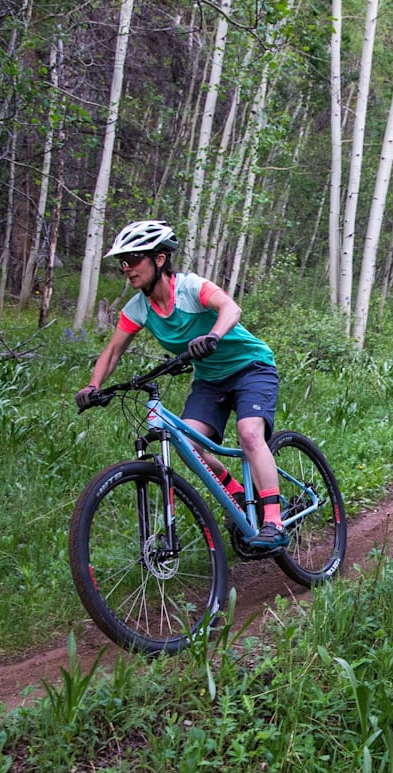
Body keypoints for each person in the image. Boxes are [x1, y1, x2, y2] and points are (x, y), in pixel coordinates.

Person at [76, 220, 289, 549]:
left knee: (249, 432)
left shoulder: (191, 288)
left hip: (252, 367)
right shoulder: (139, 308)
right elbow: (113, 350)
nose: (127, 268)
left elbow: (231, 308)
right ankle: (238, 493)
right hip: (209, 380)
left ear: (159, 259)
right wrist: (93, 386)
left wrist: (213, 335)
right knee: (188, 445)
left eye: (133, 259)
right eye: (123, 263)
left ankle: (274, 521)